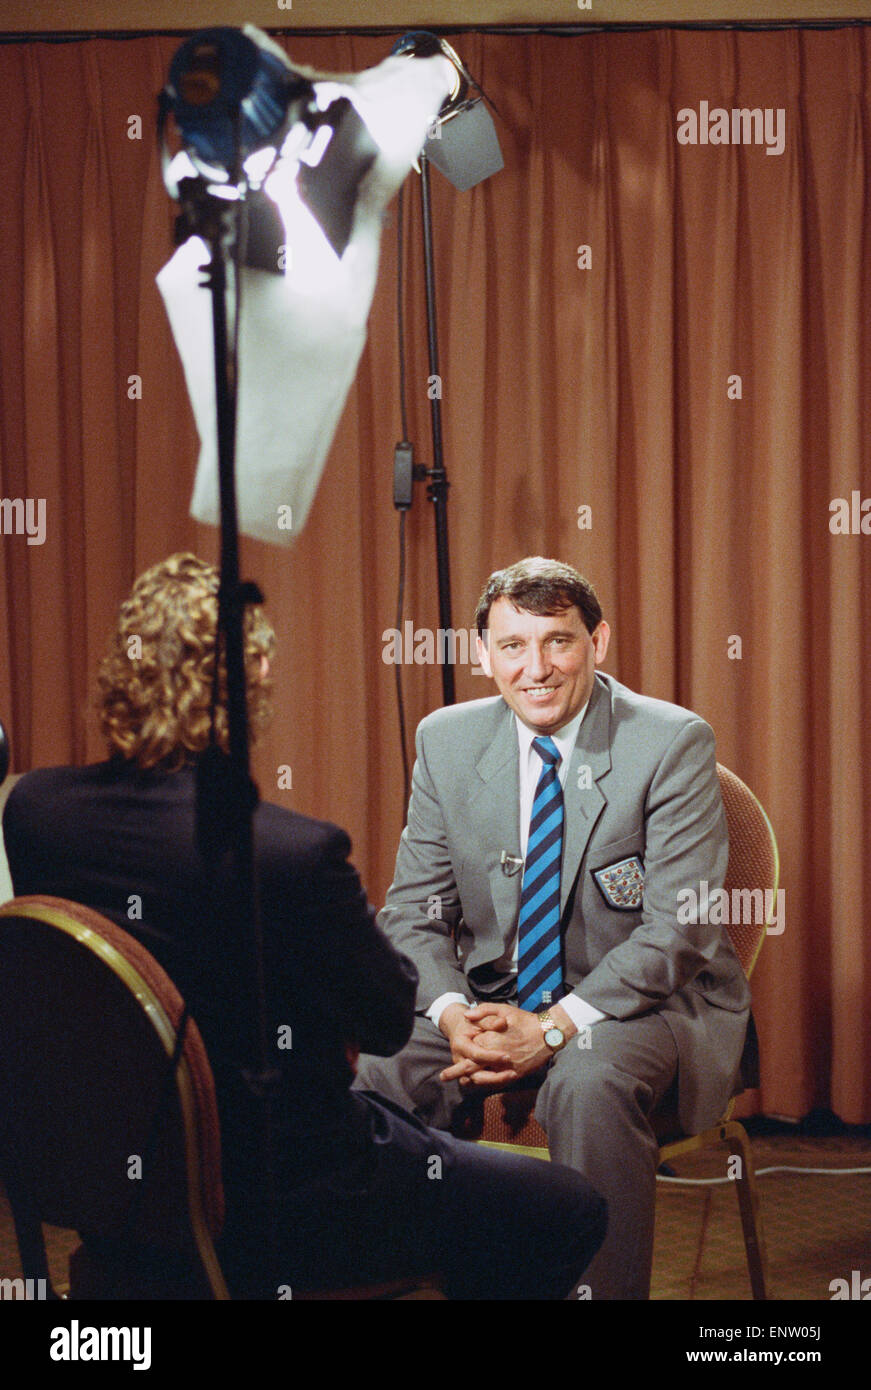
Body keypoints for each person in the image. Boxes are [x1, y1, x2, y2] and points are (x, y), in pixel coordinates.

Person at [2, 552, 606, 1300]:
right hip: (290, 1199)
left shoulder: (30, 812)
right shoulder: (289, 852)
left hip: (112, 1188)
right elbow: (386, 1019)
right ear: (252, 683)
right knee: (565, 1206)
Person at [355, 556, 755, 1300]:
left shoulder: (669, 742)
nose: (534, 668)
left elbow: (679, 933)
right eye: (512, 646)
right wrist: (452, 1017)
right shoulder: (445, 740)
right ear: (484, 656)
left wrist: (549, 1028)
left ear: (596, 641)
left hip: (643, 1003)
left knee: (588, 1080)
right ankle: (393, 1285)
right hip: (491, 994)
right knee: (380, 1069)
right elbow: (412, 912)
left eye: (557, 642)